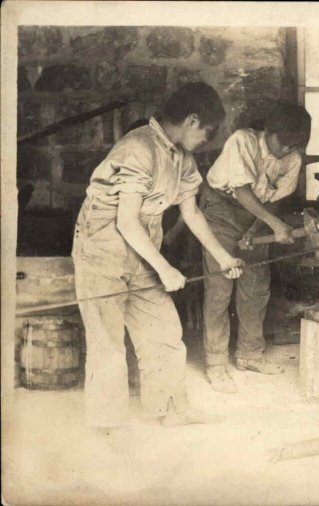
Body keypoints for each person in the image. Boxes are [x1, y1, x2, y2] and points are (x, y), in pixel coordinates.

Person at [71, 82, 244, 431]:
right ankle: (108, 427)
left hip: (141, 246)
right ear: (192, 120)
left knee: (164, 331)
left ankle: (173, 410)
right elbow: (125, 221)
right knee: (108, 344)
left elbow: (192, 214)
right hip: (102, 247)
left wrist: (223, 257)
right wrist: (164, 268)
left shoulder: (181, 156)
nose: (207, 141)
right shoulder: (138, 148)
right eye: (207, 132)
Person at [200, 102, 319, 393]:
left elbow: (273, 202)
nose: (287, 150)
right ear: (269, 132)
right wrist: (276, 225)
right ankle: (216, 363)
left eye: (295, 146)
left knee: (256, 285)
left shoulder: (293, 159)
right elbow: (241, 191)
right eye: (283, 143)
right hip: (220, 210)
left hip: (256, 215)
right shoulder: (243, 141)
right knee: (220, 287)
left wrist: (254, 232)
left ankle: (249, 354)